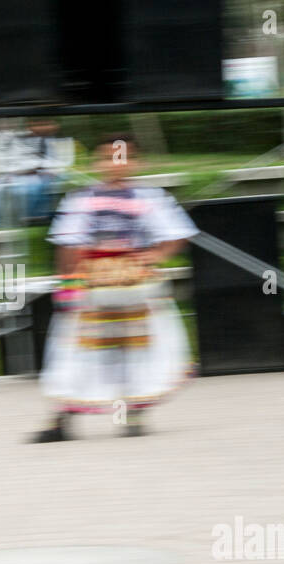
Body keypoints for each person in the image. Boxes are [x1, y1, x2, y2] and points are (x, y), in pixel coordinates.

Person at [32, 136, 197, 441]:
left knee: (136, 351)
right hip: (93, 287)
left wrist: (155, 255)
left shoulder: (150, 199)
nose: (114, 164)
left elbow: (176, 233)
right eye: (107, 157)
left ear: (136, 162)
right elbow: (68, 243)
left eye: (122, 157)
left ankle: (132, 414)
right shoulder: (80, 199)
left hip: (133, 286)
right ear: (96, 163)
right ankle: (62, 419)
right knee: (75, 352)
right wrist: (67, 279)